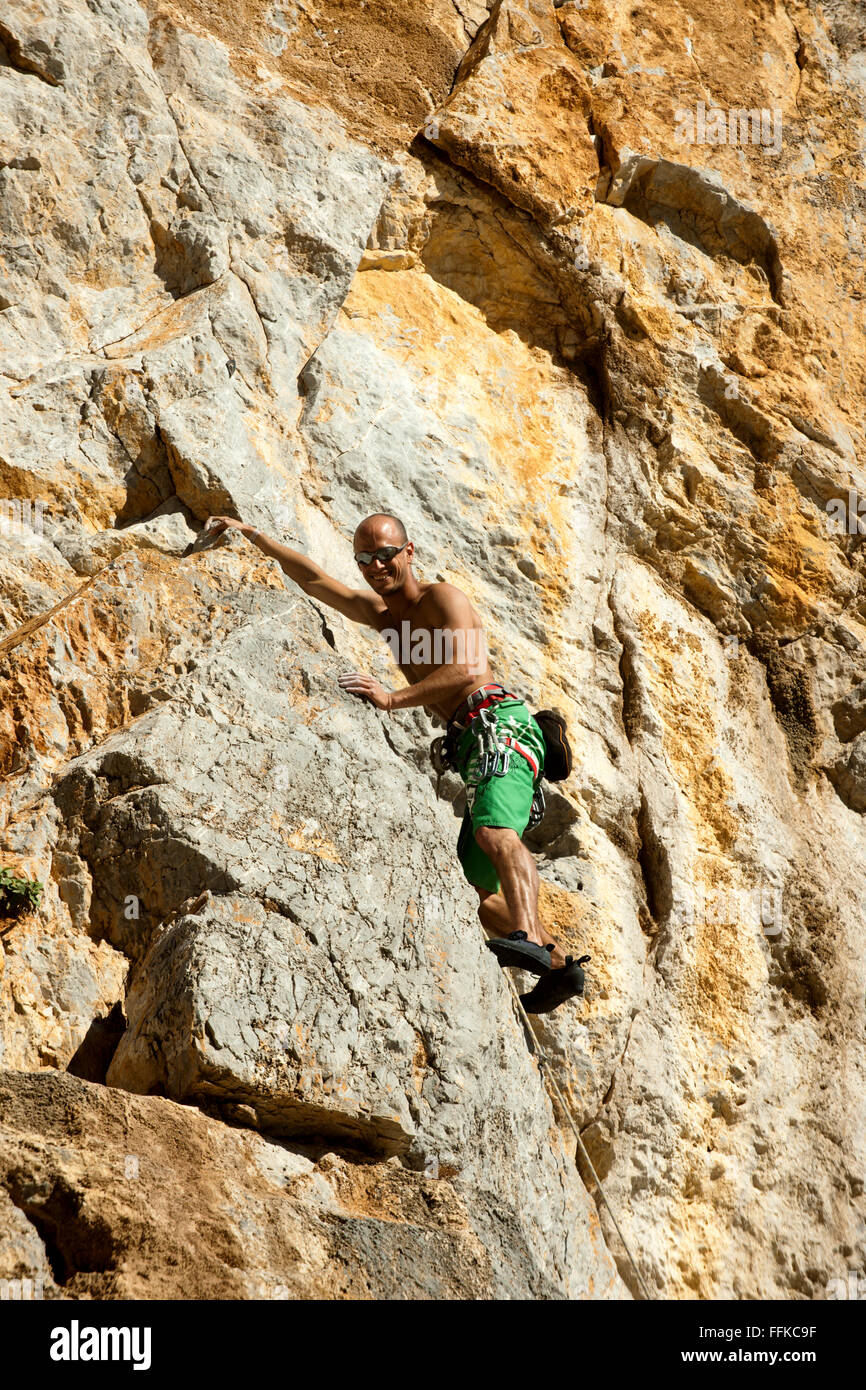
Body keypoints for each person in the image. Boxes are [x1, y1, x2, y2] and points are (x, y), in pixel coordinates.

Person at [204, 511, 587, 1012]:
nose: (376, 565)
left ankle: (530, 938)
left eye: (386, 553)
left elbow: (468, 668)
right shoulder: (385, 617)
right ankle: (560, 970)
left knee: (496, 836)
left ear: (409, 552)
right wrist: (253, 534)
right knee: (474, 885)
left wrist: (390, 698)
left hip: (498, 724)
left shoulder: (441, 598)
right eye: (365, 558)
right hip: (471, 743)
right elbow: (316, 579)